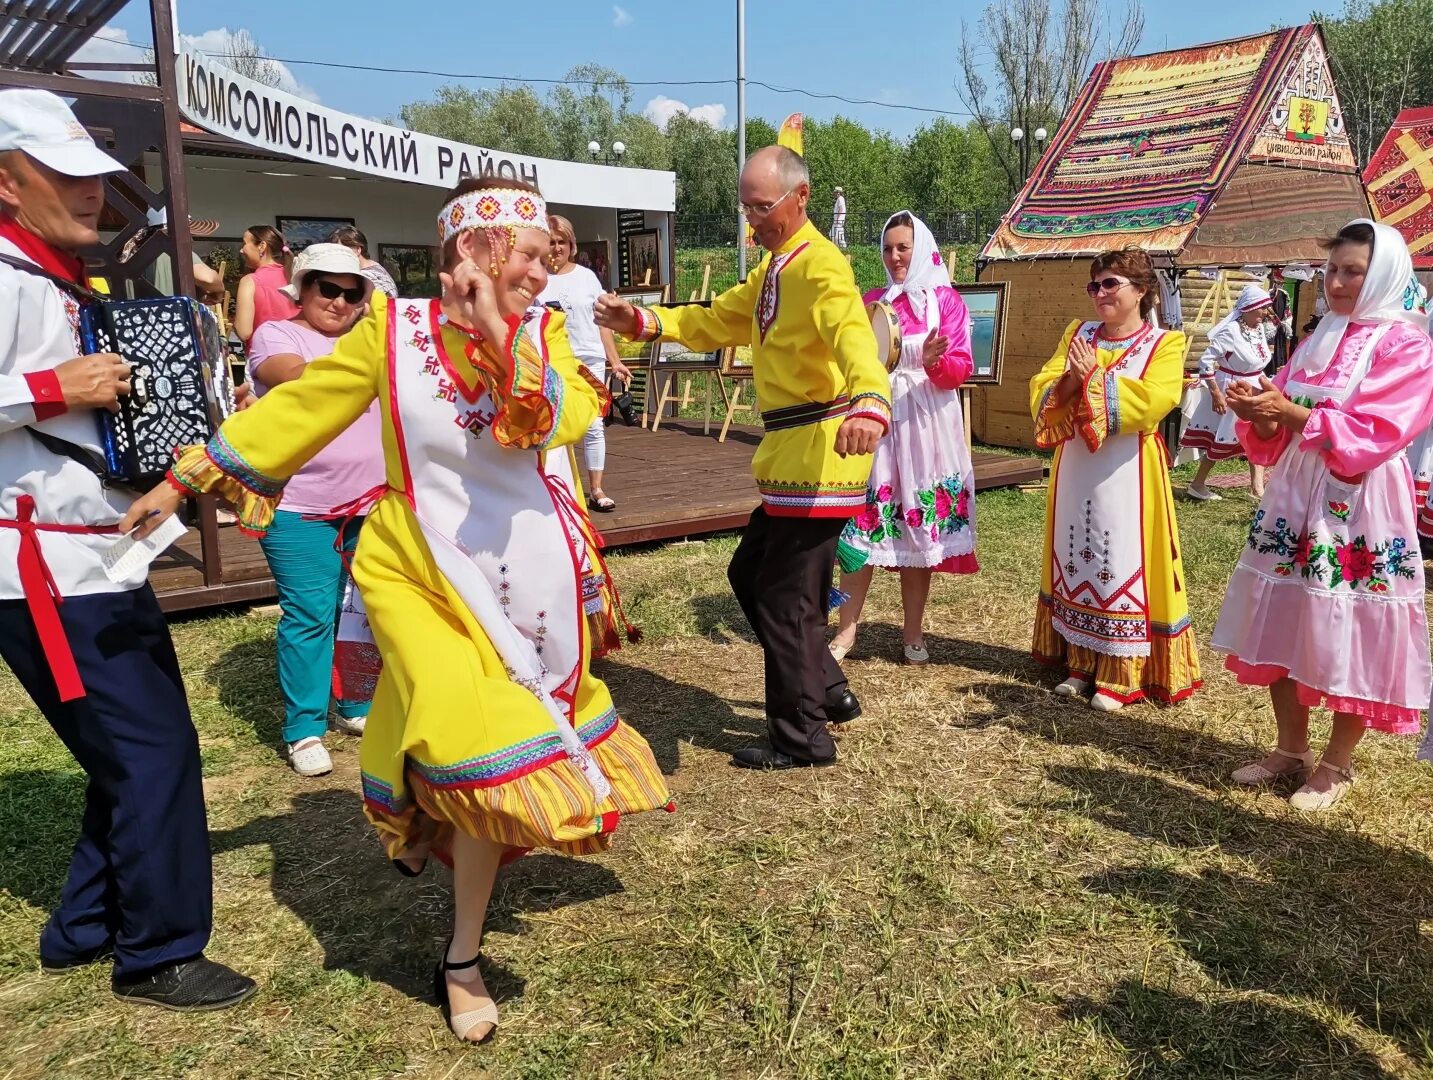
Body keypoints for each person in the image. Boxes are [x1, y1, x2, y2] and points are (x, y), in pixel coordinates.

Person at [122, 175, 671, 1043]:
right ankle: (459, 947)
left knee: (473, 738)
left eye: (541, 255)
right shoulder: (392, 327)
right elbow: (302, 405)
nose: (542, 268)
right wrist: (185, 476)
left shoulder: (547, 333)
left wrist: (500, 326)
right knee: (475, 731)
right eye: (527, 255)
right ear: (474, 249)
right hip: (413, 567)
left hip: (525, 571)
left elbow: (554, 420)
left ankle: (436, 875)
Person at [0, 88, 255, 1009]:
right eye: (60, 175)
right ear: (5, 180)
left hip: (96, 557)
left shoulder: (61, 279)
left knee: (133, 751)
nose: (87, 195)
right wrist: (45, 384)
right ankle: (157, 954)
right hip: (44, 570)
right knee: (150, 754)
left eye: (93, 178)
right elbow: (38, 396)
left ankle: (86, 925)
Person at [596, 146, 891, 770]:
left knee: (787, 598)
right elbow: (715, 319)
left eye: (763, 206)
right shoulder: (777, 267)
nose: (752, 219)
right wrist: (643, 321)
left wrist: (870, 402)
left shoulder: (821, 267)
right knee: (753, 574)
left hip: (821, 457)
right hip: (795, 458)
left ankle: (802, 734)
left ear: (801, 197)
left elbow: (854, 337)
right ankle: (827, 691)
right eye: (747, 208)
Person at [1213, 219, 1433, 811]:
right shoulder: (1316, 338)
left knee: (1348, 626)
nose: (1336, 282)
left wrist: (1288, 413)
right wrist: (1256, 409)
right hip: (1298, 489)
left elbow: (1379, 430)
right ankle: (1290, 746)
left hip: (1361, 501)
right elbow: (1278, 418)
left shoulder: (1406, 344)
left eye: (1352, 271)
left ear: (1382, 273)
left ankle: (1337, 763)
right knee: (1286, 611)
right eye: (1330, 270)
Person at [1030, 248, 1201, 712]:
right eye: (1095, 284)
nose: (1100, 293)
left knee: (1121, 558)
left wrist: (1095, 375)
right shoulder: (1078, 333)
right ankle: (1080, 664)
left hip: (1128, 469)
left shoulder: (1164, 344)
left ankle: (1120, 675)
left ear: (1141, 291)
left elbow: (1154, 400)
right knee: (1076, 550)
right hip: (1077, 465)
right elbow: (1044, 386)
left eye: (1111, 284)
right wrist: (1072, 377)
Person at [246, 243, 383, 777]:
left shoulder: (369, 340)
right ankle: (304, 728)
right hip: (299, 503)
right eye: (328, 287)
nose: (339, 301)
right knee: (310, 614)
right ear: (301, 290)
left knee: (365, 610)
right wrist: (370, 354)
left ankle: (356, 704)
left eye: (353, 293)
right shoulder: (276, 334)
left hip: (372, 503)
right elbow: (294, 375)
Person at [830, 211, 977, 665]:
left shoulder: (946, 302)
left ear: (921, 250)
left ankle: (912, 633)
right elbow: (850, 355)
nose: (894, 256)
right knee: (862, 527)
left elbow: (959, 369)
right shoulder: (873, 300)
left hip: (927, 422)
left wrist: (932, 360)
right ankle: (845, 632)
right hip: (881, 415)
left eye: (903, 248)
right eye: (888, 248)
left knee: (917, 531)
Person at [539, 214, 632, 512]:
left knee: (593, 425)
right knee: (554, 424)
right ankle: (557, 490)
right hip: (552, 360)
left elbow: (603, 321)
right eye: (550, 242)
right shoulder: (536, 280)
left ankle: (596, 489)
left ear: (571, 245)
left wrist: (614, 360)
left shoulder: (587, 277)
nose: (556, 248)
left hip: (589, 359)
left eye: (561, 242)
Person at [1181, 284, 1275, 501]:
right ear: (1249, 307)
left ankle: (1256, 487)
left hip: (1254, 386)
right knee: (1221, 437)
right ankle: (1197, 484)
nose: (1265, 312)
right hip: (1232, 387)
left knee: (1255, 435)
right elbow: (1205, 362)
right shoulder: (1230, 331)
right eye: (1261, 308)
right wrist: (1216, 393)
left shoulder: (1258, 328)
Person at [232, 224, 296, 347]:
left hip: (266, 356)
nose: (241, 250)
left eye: (244, 244)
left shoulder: (250, 281)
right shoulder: (296, 276)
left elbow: (244, 332)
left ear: (261, 246)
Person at [327, 224, 397, 298]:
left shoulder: (367, 277)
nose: (335, 256)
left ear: (358, 250)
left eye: (340, 251)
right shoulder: (377, 269)